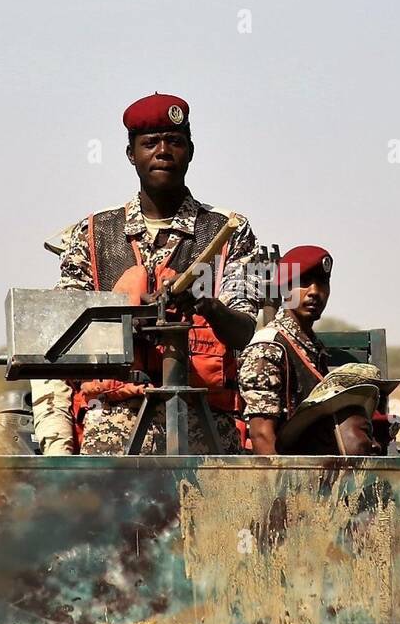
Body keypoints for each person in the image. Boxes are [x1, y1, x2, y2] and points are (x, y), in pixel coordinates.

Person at [48, 92, 261, 455]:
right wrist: (129, 316)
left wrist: (204, 305)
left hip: (205, 430)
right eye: (150, 143)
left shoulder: (228, 232)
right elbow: (65, 335)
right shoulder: (92, 235)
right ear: (131, 154)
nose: (163, 151)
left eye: (175, 142)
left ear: (190, 152)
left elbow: (244, 330)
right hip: (113, 431)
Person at [240, 245, 399, 455]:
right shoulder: (268, 348)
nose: (314, 292)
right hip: (291, 475)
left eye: (322, 283)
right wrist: (285, 487)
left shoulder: (311, 345)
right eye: (303, 282)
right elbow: (262, 436)